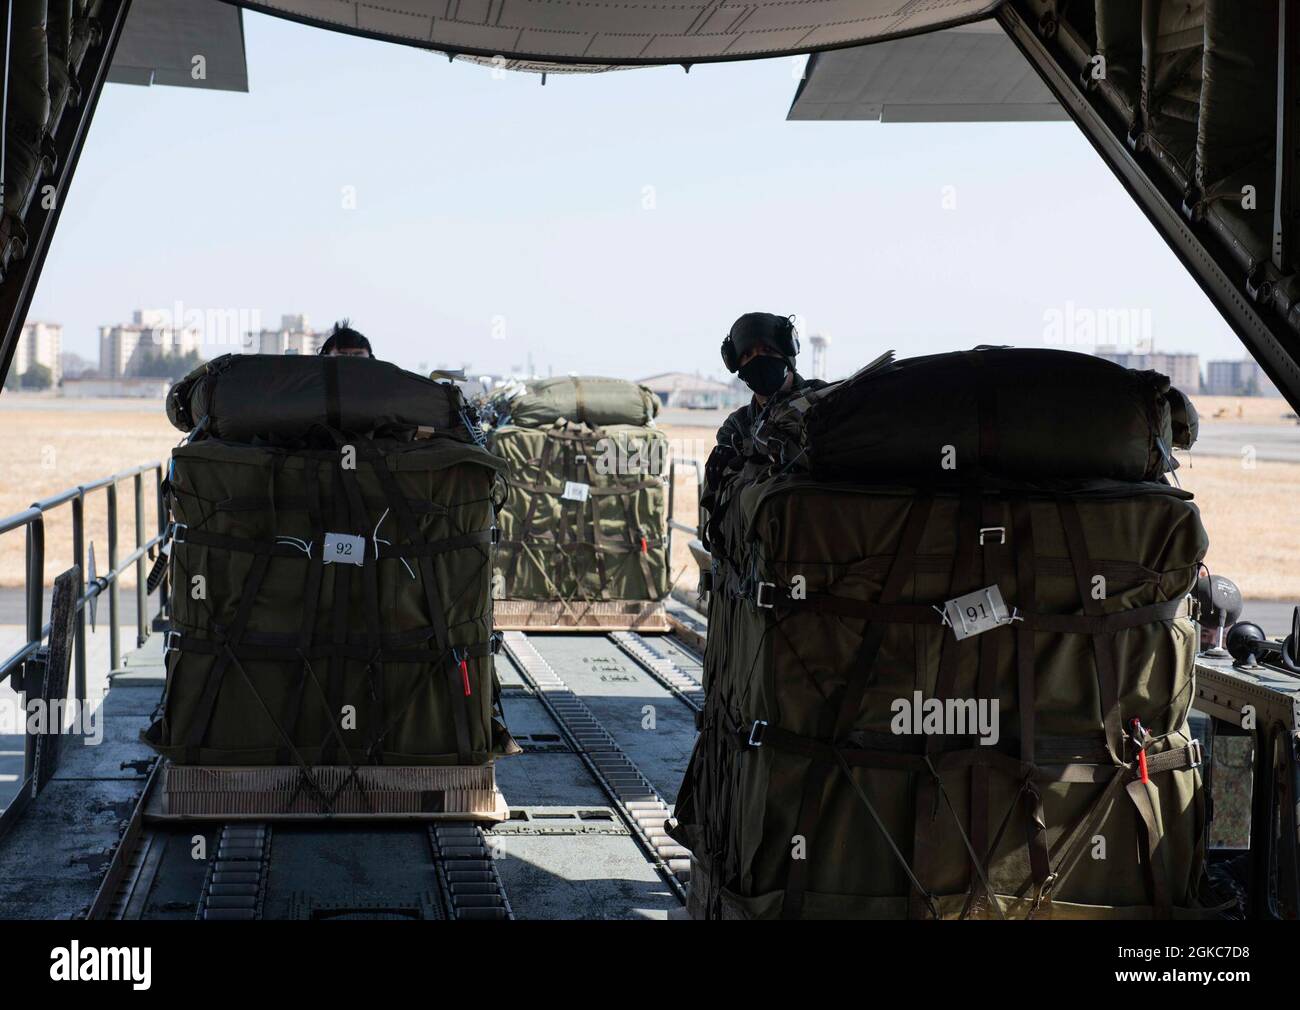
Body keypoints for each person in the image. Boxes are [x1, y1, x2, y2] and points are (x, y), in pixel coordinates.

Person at [699, 312, 825, 553]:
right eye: (747, 355)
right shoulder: (737, 425)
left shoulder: (824, 400)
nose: (757, 360)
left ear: (786, 353)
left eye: (766, 350)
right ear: (737, 365)